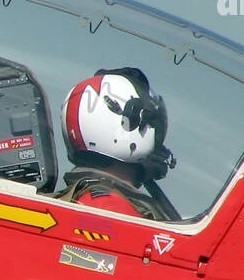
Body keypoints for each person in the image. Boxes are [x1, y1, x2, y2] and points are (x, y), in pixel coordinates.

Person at [57, 67, 180, 221]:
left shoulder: (88, 198)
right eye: (152, 125)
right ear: (129, 121)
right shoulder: (110, 209)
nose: (159, 145)